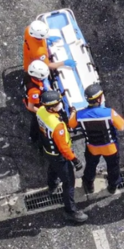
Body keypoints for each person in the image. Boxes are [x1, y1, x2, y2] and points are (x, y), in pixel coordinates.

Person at [36, 90, 87, 223]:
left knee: (53, 169)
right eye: (58, 103)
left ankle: (52, 186)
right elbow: (64, 148)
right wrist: (75, 160)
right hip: (59, 155)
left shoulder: (41, 110)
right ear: (51, 107)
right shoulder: (57, 126)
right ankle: (70, 211)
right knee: (69, 182)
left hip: (48, 150)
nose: (60, 104)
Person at [68, 84, 124, 195]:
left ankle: (89, 185)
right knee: (113, 167)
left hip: (92, 147)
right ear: (99, 99)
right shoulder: (109, 112)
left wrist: (73, 112)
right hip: (110, 148)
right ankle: (112, 186)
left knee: (90, 166)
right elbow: (122, 127)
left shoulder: (79, 114)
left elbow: (71, 124)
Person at [23, 60, 54, 143]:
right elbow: (31, 107)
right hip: (35, 107)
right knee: (36, 122)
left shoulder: (29, 75)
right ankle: (33, 138)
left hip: (32, 98)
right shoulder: (34, 92)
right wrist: (43, 113)